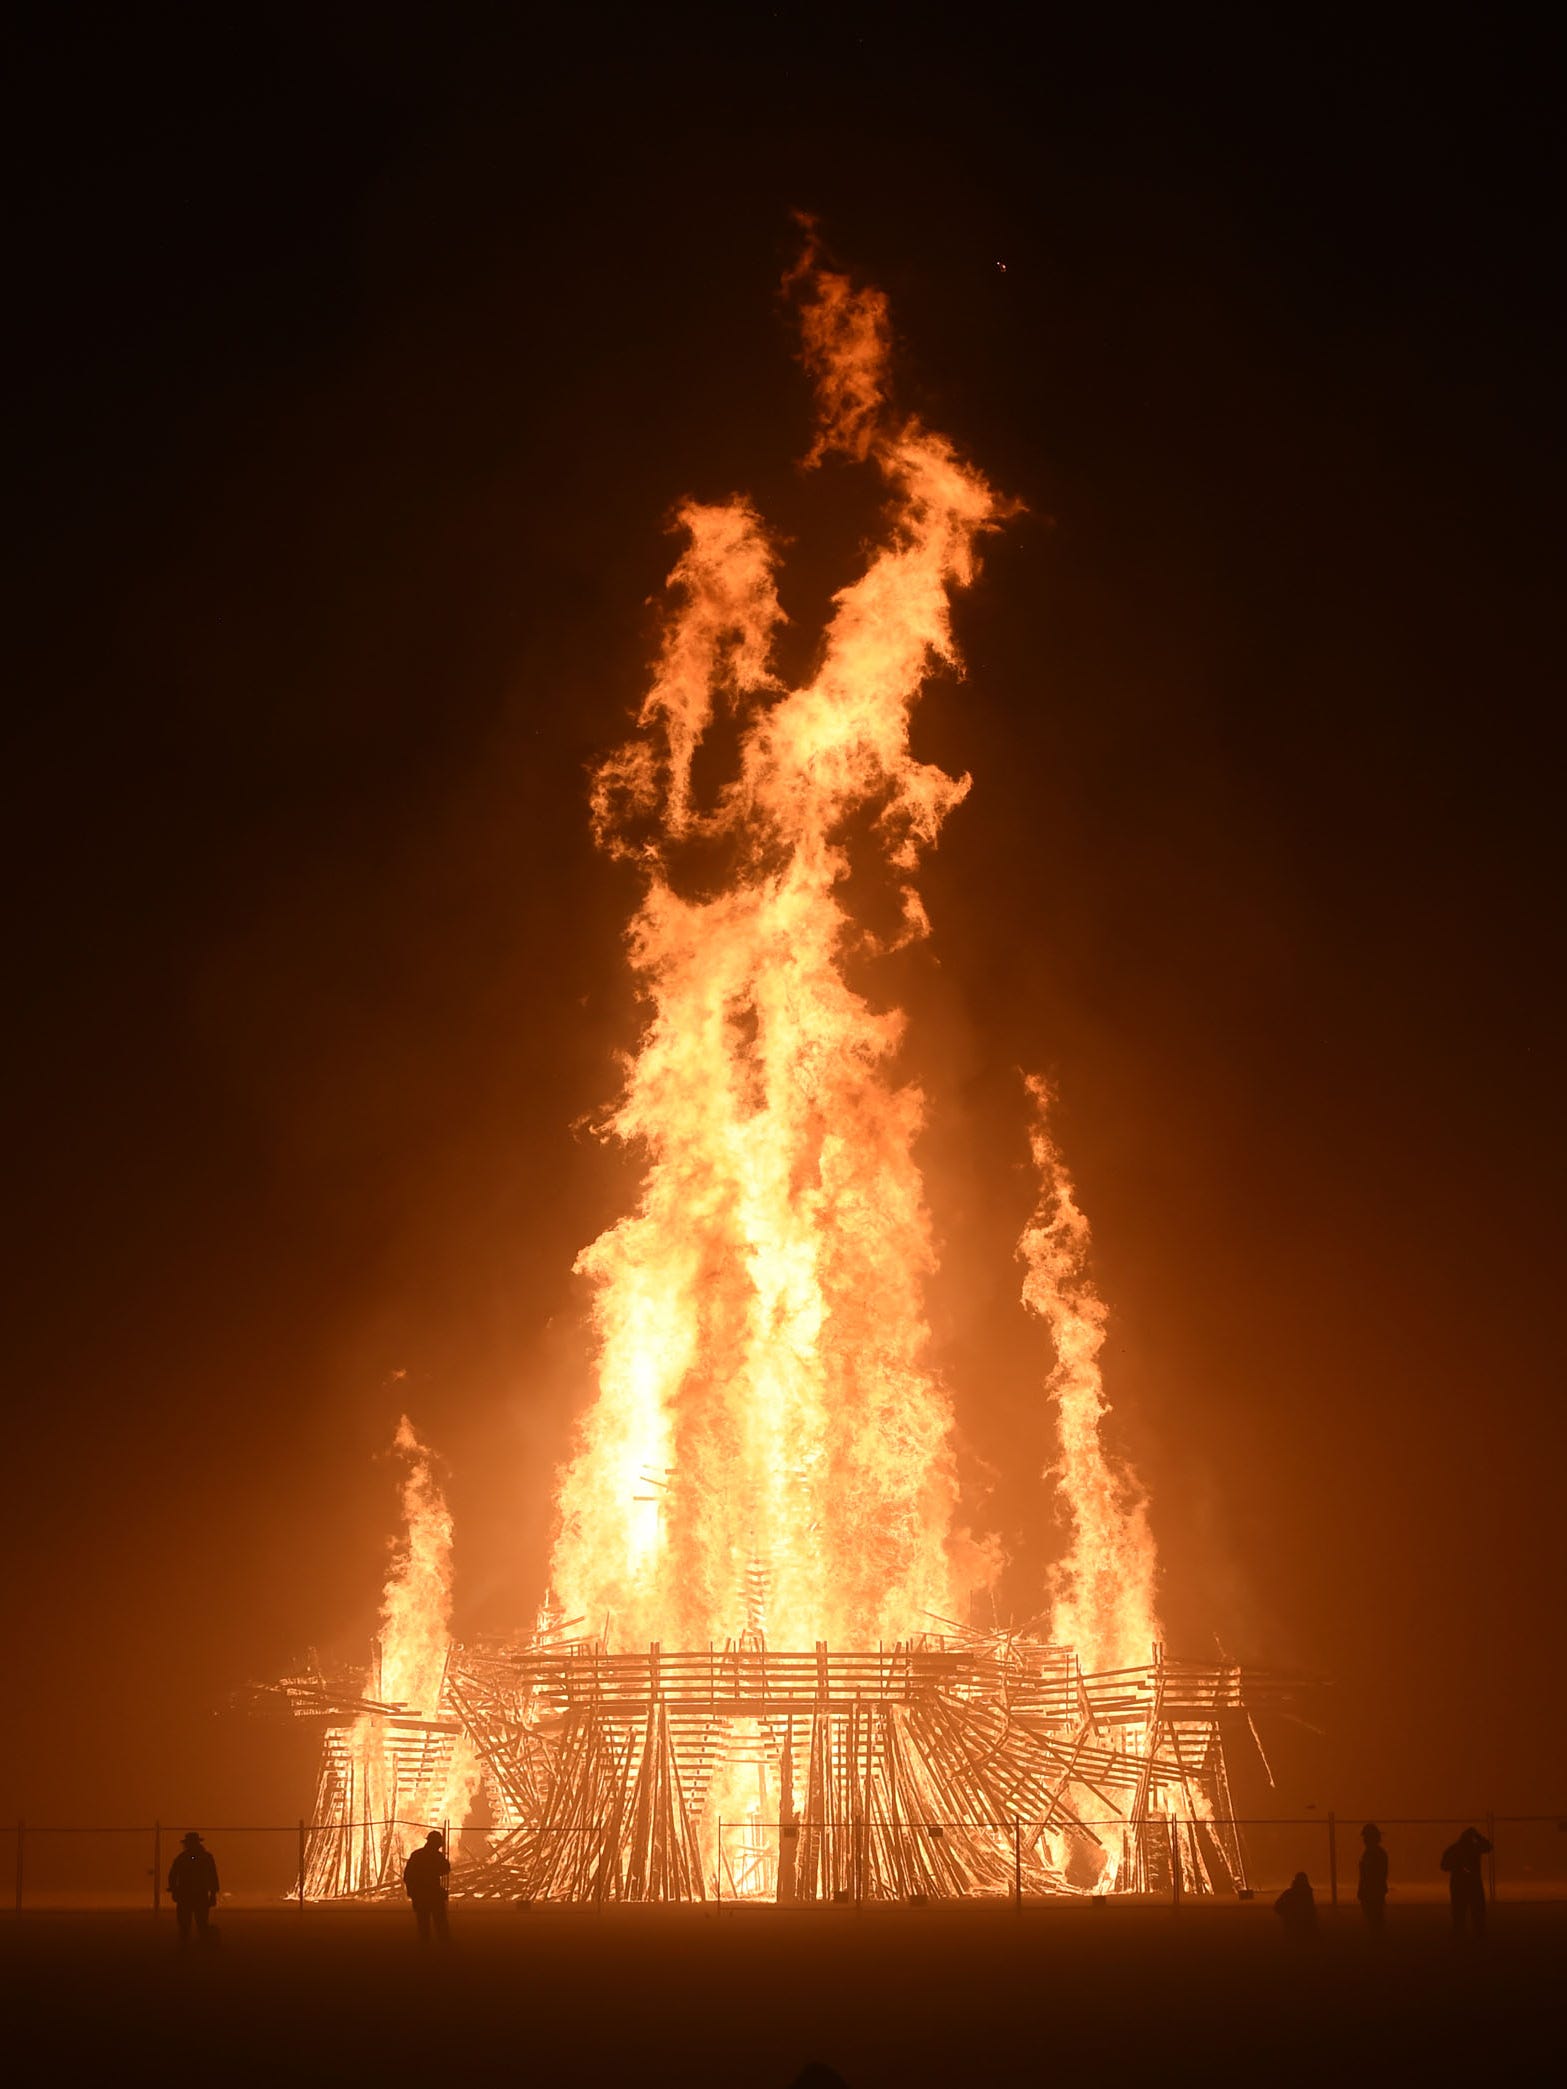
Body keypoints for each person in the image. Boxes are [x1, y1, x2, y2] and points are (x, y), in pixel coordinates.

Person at [166, 1830, 219, 1947]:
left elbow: (173, 1875)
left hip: (187, 1895)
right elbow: (213, 1876)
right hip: (198, 1894)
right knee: (199, 1923)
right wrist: (213, 1893)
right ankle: (202, 1945)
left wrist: (174, 1890)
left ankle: (185, 1947)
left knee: (188, 1924)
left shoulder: (182, 1858)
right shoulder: (206, 1857)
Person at [1441, 1825, 1492, 1938]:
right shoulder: (1474, 1848)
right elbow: (1488, 1846)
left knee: (1460, 1912)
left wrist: (1455, 1867)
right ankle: (1474, 1934)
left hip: (1460, 1884)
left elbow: (1444, 1866)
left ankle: (1461, 1934)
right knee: (1474, 1911)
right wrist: (1478, 1837)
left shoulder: (1454, 1848)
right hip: (1472, 1884)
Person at [402, 1829, 451, 1944]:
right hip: (433, 1894)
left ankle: (426, 1945)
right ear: (435, 1843)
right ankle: (444, 1945)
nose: (439, 1846)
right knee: (440, 1922)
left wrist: (412, 1892)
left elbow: (407, 1876)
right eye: (439, 1844)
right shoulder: (436, 1856)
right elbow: (445, 1869)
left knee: (423, 1923)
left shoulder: (417, 1855)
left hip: (421, 1895)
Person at [1357, 1822, 1389, 1930]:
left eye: (1366, 1837)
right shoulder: (1373, 1853)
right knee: (1374, 1919)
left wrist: (1363, 1889)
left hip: (1373, 1890)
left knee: (1375, 1918)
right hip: (1372, 1890)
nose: (1364, 1839)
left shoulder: (1374, 1853)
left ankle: (1379, 1940)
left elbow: (1371, 1874)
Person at [1273, 1870, 1317, 1937]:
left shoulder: (1289, 1892)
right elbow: (1311, 1909)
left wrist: (1286, 1915)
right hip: (1304, 1927)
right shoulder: (1307, 1893)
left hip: (1292, 1926)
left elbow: (1277, 1906)